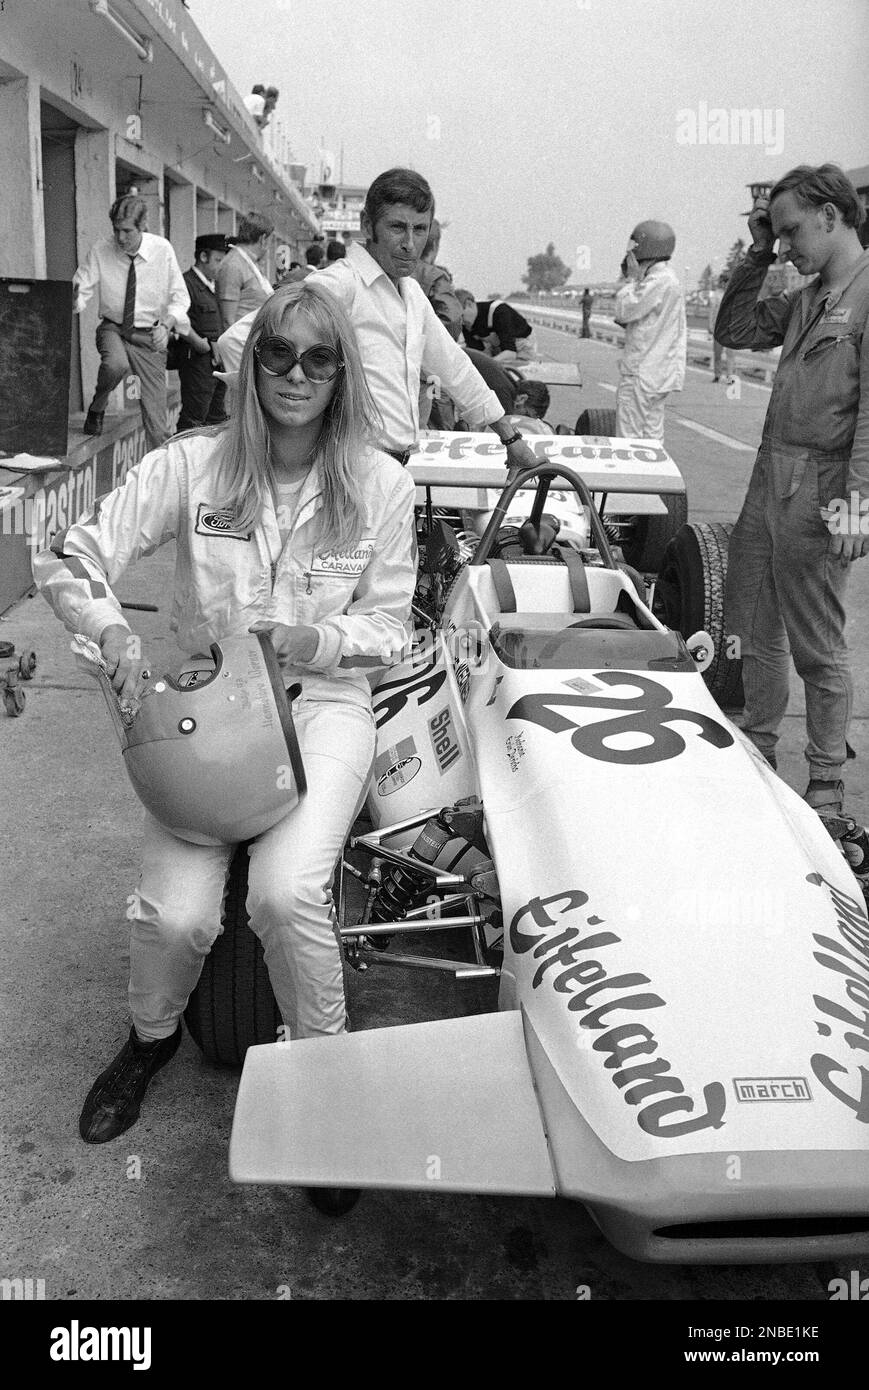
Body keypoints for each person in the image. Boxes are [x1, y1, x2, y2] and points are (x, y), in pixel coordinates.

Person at [33, 281, 417, 1145]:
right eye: (277, 352)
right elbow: (72, 554)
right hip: (205, 710)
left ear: (341, 374)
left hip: (321, 703)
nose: (294, 373)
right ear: (253, 365)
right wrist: (111, 635)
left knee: (285, 893)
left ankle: (323, 1076)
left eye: (318, 358)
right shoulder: (191, 464)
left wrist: (312, 640)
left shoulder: (380, 482)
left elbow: (393, 626)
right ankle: (147, 1041)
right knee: (175, 916)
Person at [715, 163, 869, 815]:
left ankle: (827, 783)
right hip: (768, 473)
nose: (783, 246)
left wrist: (856, 504)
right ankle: (757, 746)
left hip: (825, 480)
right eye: (773, 235)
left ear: (831, 216)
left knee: (816, 639)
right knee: (754, 622)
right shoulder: (805, 295)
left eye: (788, 231)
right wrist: (753, 255)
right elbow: (734, 331)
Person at [218, 168, 539, 474]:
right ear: (367, 226)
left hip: (393, 468)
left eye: (420, 229)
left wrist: (509, 437)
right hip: (345, 466)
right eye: (397, 227)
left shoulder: (411, 294)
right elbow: (235, 341)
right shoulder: (342, 285)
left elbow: (453, 367)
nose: (410, 244)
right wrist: (285, 427)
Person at [73, 194, 190, 451]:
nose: (121, 238)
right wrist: (73, 298)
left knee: (158, 426)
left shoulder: (162, 250)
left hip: (149, 336)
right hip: (113, 328)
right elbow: (82, 287)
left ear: (143, 226)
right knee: (115, 364)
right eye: (116, 230)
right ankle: (98, 405)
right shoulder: (101, 249)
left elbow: (180, 297)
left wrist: (167, 325)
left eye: (127, 231)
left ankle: (161, 483)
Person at [613, 220, 686, 440]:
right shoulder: (670, 280)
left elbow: (623, 310)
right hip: (659, 374)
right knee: (652, 440)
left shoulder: (657, 281)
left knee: (629, 440)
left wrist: (632, 279)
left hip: (641, 373)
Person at [174, 233, 229, 431]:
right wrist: (199, 343)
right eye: (217, 260)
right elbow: (178, 319)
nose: (220, 266)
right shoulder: (186, 283)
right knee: (194, 418)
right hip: (196, 360)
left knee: (216, 418)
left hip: (216, 361)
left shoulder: (213, 286)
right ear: (203, 257)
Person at [215, 213, 275, 332]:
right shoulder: (233, 265)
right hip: (241, 343)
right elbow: (228, 320)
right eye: (270, 241)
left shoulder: (250, 263)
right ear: (263, 239)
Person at [457, 289, 535, 361]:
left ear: (469, 304)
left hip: (520, 347)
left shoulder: (499, 311)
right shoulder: (466, 324)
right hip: (497, 349)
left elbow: (511, 352)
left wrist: (489, 364)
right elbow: (478, 353)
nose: (461, 322)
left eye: (462, 316)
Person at [707, 271, 735, 382]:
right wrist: (710, 325)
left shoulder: (732, 294)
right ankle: (717, 375)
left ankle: (730, 376)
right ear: (722, 282)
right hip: (719, 328)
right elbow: (712, 312)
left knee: (730, 354)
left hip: (730, 328)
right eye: (726, 282)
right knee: (718, 353)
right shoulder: (716, 295)